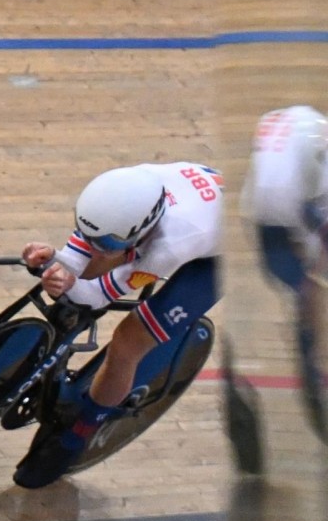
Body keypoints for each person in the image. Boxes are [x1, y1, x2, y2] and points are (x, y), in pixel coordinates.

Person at [14, 160, 224, 488]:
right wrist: (56, 259)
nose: (97, 245)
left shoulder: (169, 246)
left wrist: (65, 279)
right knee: (92, 261)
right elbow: (90, 248)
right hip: (199, 203)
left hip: (222, 256)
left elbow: (96, 295)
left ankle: (81, 431)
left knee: (128, 342)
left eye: (108, 242)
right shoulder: (124, 190)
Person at [245, 104, 327, 439]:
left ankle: (311, 368)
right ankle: (312, 368)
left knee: (305, 291)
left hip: (266, 209)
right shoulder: (316, 142)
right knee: (311, 291)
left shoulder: (308, 124)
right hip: (285, 210)